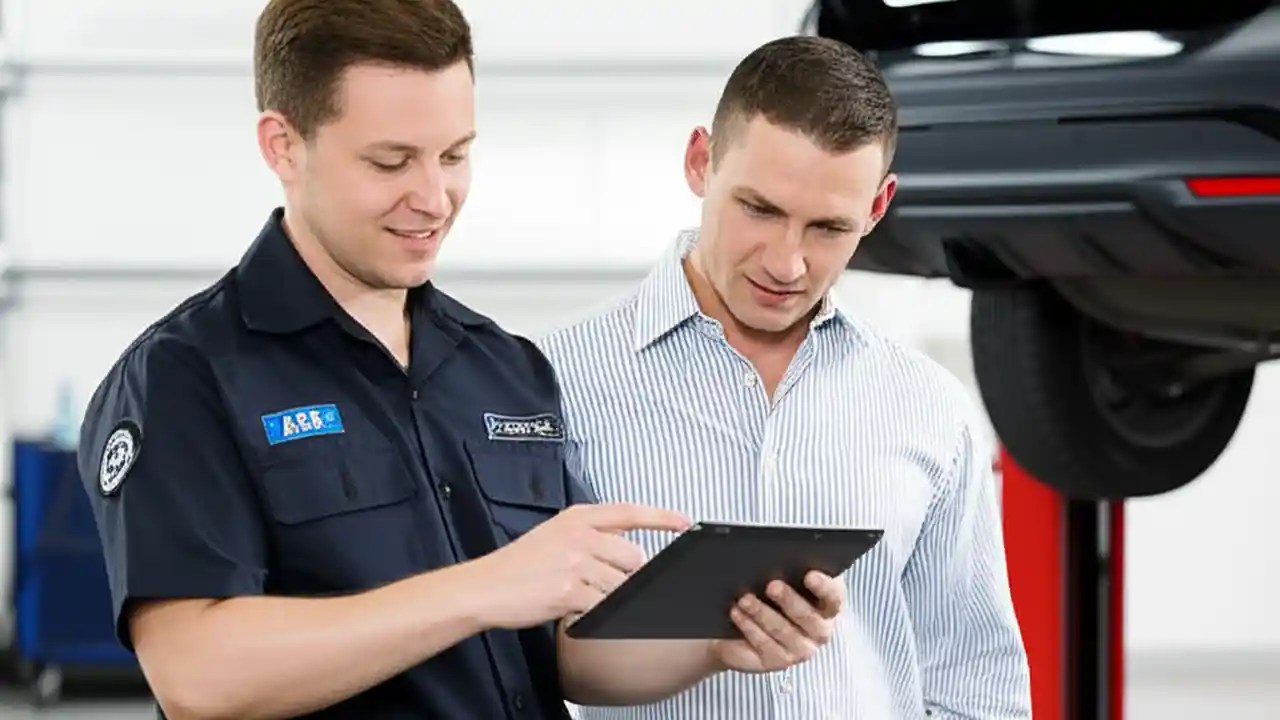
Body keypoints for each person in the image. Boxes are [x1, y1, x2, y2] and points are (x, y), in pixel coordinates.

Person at [74, 3, 848, 719]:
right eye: (391, 162)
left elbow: (567, 651)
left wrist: (713, 639)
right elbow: (198, 675)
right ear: (284, 146)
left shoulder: (503, 367)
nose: (434, 196)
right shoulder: (185, 376)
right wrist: (482, 588)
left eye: (454, 155)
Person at [538, 36, 1034, 719]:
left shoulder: (930, 410)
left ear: (877, 207)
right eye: (760, 210)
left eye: (828, 228)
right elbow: (517, 661)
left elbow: (975, 684)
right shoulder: (555, 383)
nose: (787, 263)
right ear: (700, 162)